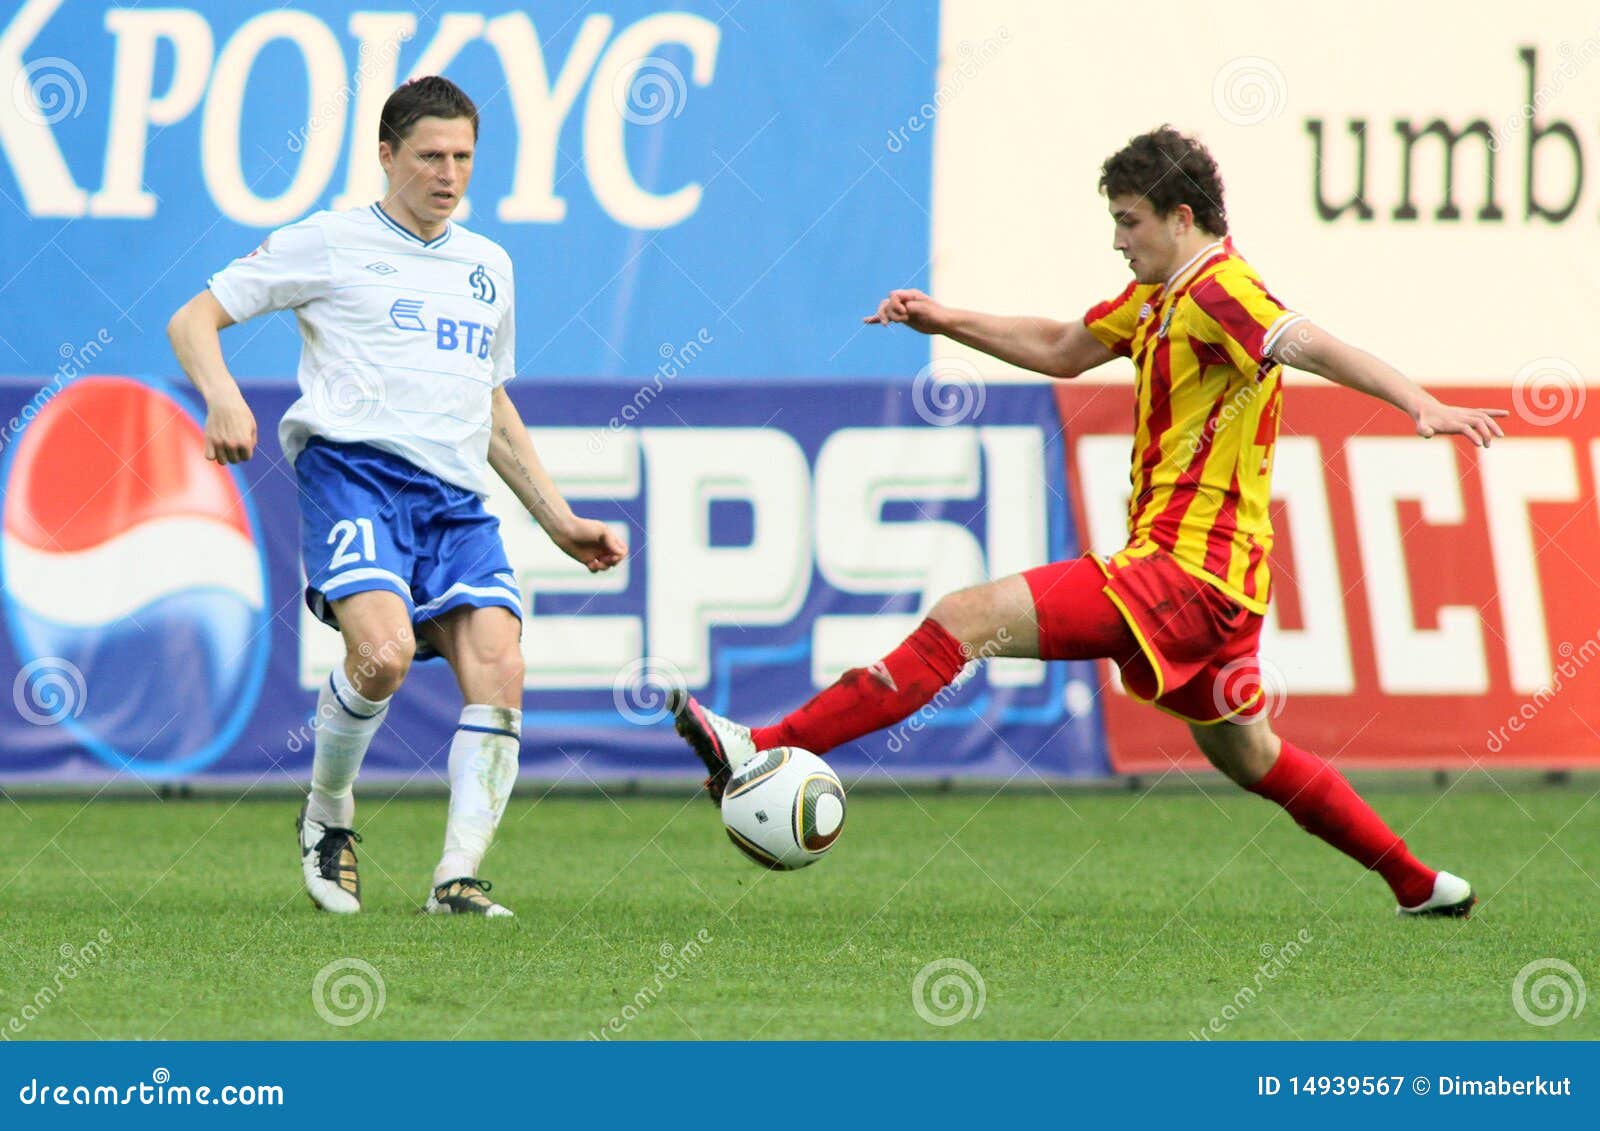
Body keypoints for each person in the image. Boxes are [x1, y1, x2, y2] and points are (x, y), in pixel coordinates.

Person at [670, 125, 1504, 917]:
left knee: (964, 618)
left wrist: (1418, 403)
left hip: (1186, 572)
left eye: (1128, 220)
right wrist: (945, 319)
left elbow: (1308, 342)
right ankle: (1418, 882)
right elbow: (1067, 346)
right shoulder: (1158, 296)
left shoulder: (1221, 289)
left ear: (1183, 218)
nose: (1118, 239)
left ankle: (763, 741)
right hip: (1219, 587)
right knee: (1251, 755)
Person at [167, 76, 625, 917]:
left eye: (462, 158)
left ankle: (456, 881)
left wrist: (557, 519)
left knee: (503, 665)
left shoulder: (489, 266)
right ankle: (328, 814)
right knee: (383, 656)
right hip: (355, 475)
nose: (448, 174)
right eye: (429, 156)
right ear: (387, 155)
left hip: (455, 498)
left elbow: (486, 400)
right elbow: (194, 318)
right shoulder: (331, 243)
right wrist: (223, 395)